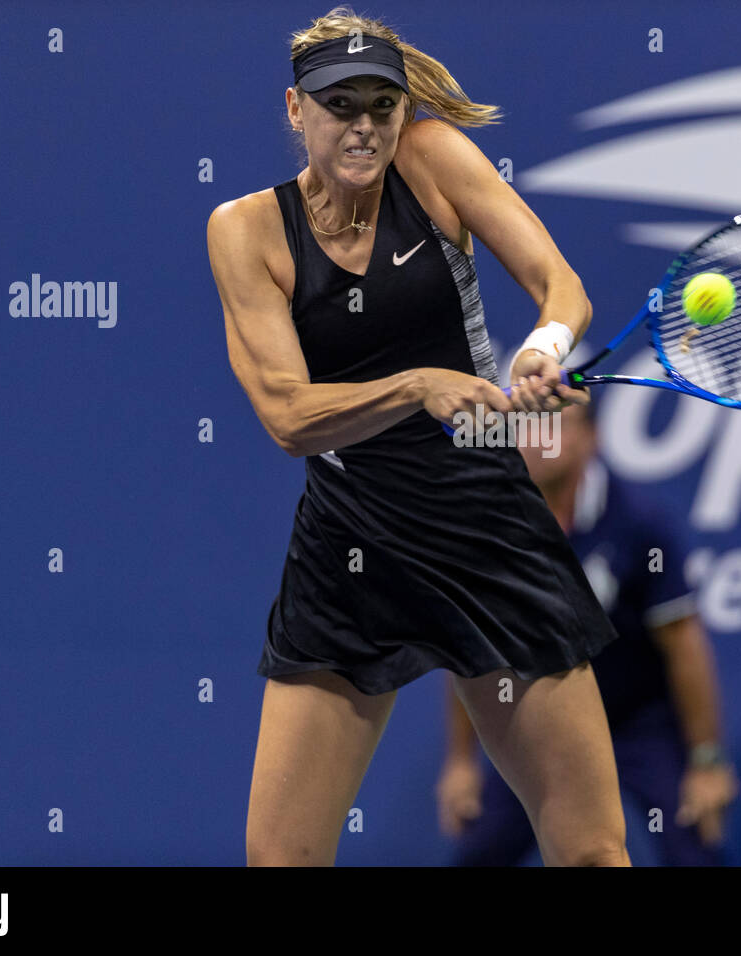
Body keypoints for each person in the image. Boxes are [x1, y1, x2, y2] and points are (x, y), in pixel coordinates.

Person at [206, 6, 631, 866]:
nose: (363, 126)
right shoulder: (246, 232)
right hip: (348, 545)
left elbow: (558, 282)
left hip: (486, 528)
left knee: (591, 851)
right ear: (297, 110)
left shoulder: (434, 161)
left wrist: (545, 347)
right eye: (339, 106)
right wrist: (416, 386)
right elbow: (289, 416)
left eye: (381, 106)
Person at [437, 400, 741, 865]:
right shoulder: (494, 531)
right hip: (542, 717)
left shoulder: (639, 524)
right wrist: (461, 763)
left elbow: (684, 646)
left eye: (553, 421)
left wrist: (707, 763)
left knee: (693, 850)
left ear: (591, 438)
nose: (536, 436)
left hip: (640, 722)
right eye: (525, 424)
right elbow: (473, 651)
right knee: (480, 852)